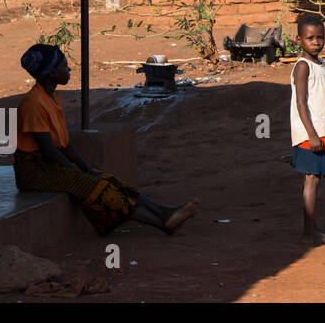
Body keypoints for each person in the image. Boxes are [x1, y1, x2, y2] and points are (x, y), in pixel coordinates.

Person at [12, 43, 199, 235]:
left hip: (50, 166)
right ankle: (162, 222)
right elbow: (49, 151)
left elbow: (65, 144)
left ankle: (164, 213)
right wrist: (77, 171)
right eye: (64, 65)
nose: (68, 69)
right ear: (51, 73)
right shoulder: (33, 104)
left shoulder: (50, 97)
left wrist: (85, 167)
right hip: (35, 172)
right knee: (101, 191)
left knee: (110, 181)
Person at [289, 12, 325, 244]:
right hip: (312, 134)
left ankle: (312, 228)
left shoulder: (319, 63)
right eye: (310, 38)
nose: (317, 42)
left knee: (315, 178)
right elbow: (301, 102)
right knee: (311, 179)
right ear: (299, 40)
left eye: (320, 37)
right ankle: (309, 232)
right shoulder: (303, 67)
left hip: (321, 132)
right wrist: (312, 134)